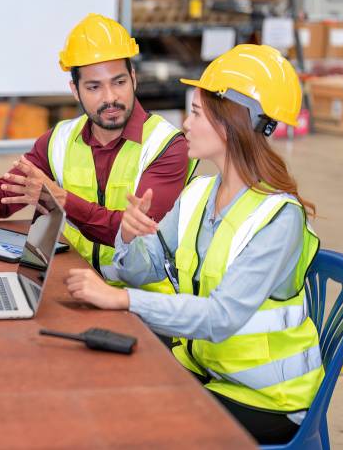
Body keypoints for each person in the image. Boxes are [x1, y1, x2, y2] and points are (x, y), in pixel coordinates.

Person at [64, 44, 323, 444]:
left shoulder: (278, 218)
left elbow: (220, 317)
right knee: (107, 391)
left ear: (231, 123)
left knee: (136, 425)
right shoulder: (200, 192)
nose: (185, 124)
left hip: (267, 397)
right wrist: (128, 237)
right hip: (207, 369)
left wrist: (122, 300)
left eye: (197, 113)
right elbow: (141, 269)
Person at [0, 13, 193, 293]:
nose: (110, 97)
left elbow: (137, 235)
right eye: (94, 87)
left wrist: (60, 198)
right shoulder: (59, 140)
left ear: (134, 79)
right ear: (75, 90)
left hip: (144, 301)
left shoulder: (166, 146)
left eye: (119, 82)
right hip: (75, 288)